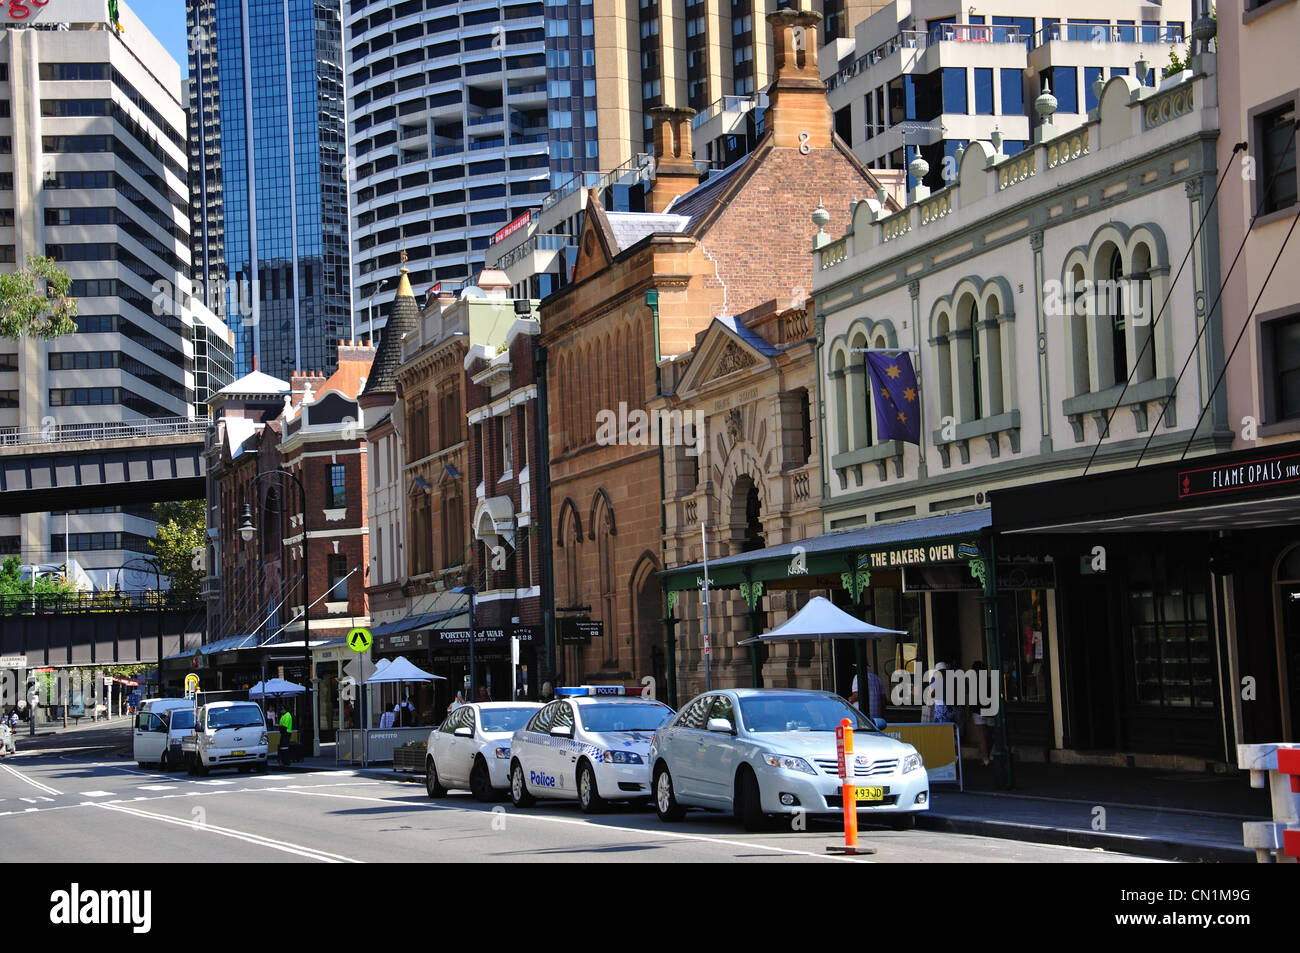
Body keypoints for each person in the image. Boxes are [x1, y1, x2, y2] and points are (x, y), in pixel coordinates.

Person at [970, 660, 994, 766]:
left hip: (978, 711)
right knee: (990, 735)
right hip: (989, 710)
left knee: (982, 736)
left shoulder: (973, 682)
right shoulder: (989, 681)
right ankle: (988, 755)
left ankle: (985, 758)